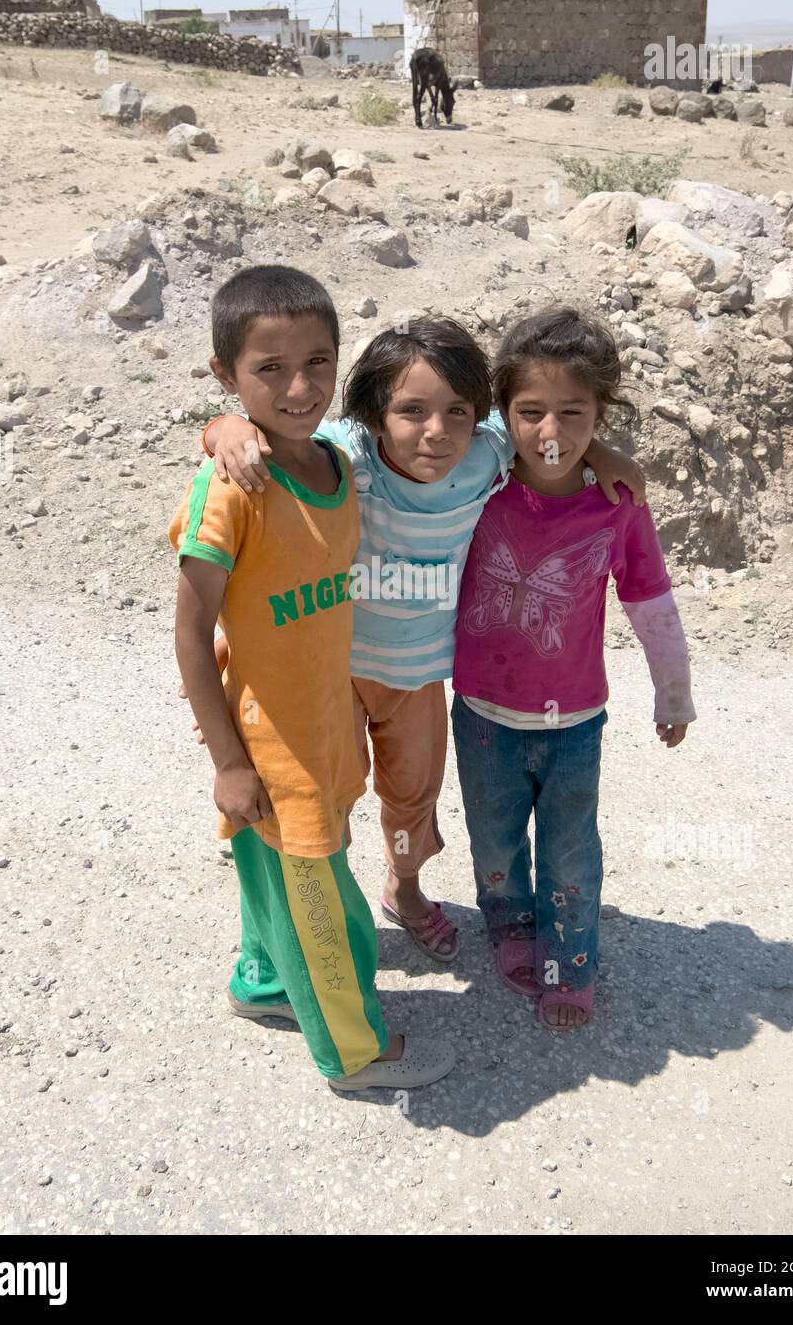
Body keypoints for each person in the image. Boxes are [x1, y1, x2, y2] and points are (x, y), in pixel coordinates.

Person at [197, 316, 648, 964]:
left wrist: (602, 453)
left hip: (418, 679)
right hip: (336, 676)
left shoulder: (485, 453)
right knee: (333, 794)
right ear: (374, 416)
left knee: (412, 800)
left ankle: (402, 888)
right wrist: (226, 428)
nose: (436, 432)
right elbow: (254, 437)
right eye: (411, 411)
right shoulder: (345, 456)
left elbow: (542, 434)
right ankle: (337, 905)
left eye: (455, 411)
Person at [169, 264, 454, 1091]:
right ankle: (355, 1052)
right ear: (227, 375)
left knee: (274, 875)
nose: (299, 386)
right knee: (323, 901)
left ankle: (262, 984)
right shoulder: (231, 489)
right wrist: (227, 762)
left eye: (317, 363)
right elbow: (190, 632)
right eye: (268, 370)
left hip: (324, 722)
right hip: (270, 741)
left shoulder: (331, 459)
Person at [450, 305, 696, 1031]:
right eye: (529, 411)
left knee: (569, 854)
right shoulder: (475, 483)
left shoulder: (617, 504)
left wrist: (671, 692)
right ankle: (509, 929)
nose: (549, 433)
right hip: (480, 716)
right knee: (493, 843)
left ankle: (568, 962)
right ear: (501, 412)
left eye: (573, 413)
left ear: (600, 413)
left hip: (573, 725)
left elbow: (649, 601)